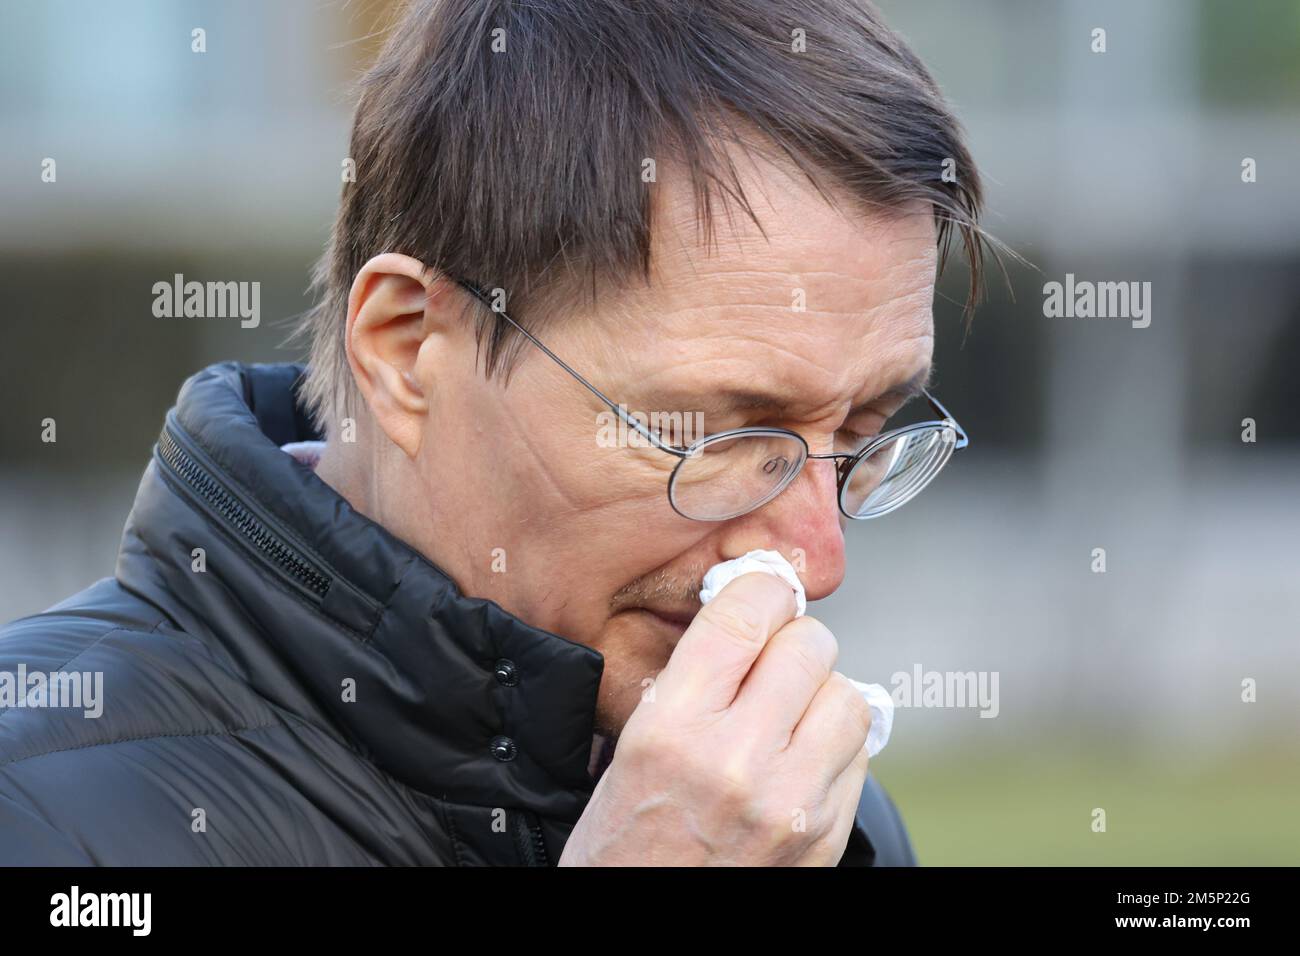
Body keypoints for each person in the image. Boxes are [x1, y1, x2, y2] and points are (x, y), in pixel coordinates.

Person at [0, 0, 985, 865]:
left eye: (862, 429)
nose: (816, 563)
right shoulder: (38, 813)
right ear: (406, 348)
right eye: (714, 433)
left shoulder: (789, 819)